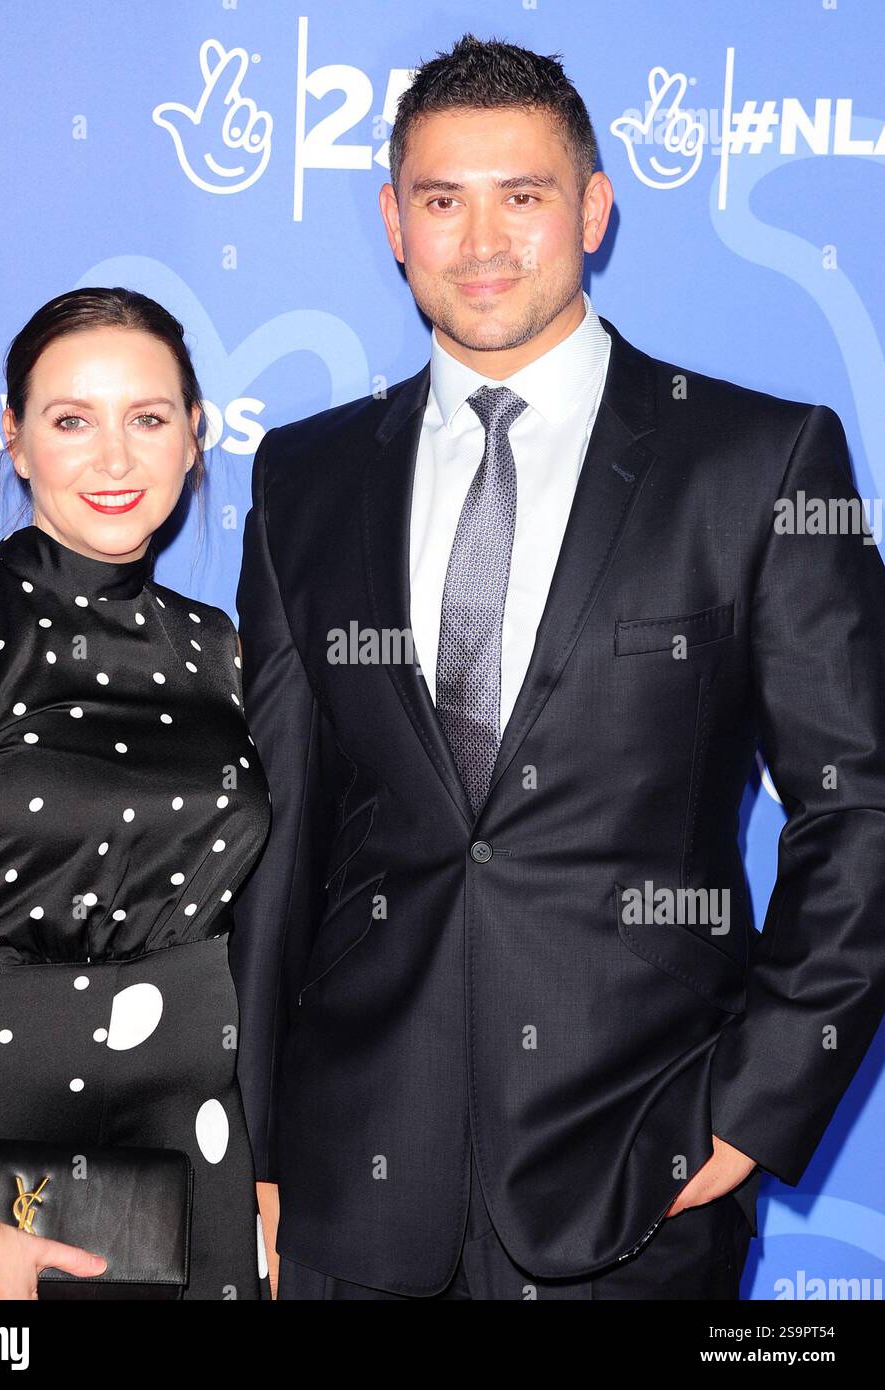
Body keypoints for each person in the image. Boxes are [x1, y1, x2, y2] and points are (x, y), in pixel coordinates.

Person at [230, 34, 885, 1300]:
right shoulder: (305, 478)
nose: (480, 242)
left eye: (520, 196)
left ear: (591, 209)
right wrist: (252, 1137)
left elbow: (858, 807)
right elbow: (283, 824)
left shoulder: (757, 461)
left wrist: (750, 1109)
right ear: (392, 223)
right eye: (440, 199)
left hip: (638, 1181)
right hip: (345, 1190)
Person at [0, 287, 271, 1300]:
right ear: (15, 442)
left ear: (195, 438)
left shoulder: (226, 652)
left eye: (147, 419)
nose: (113, 460)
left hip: (198, 1160)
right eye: (70, 421)